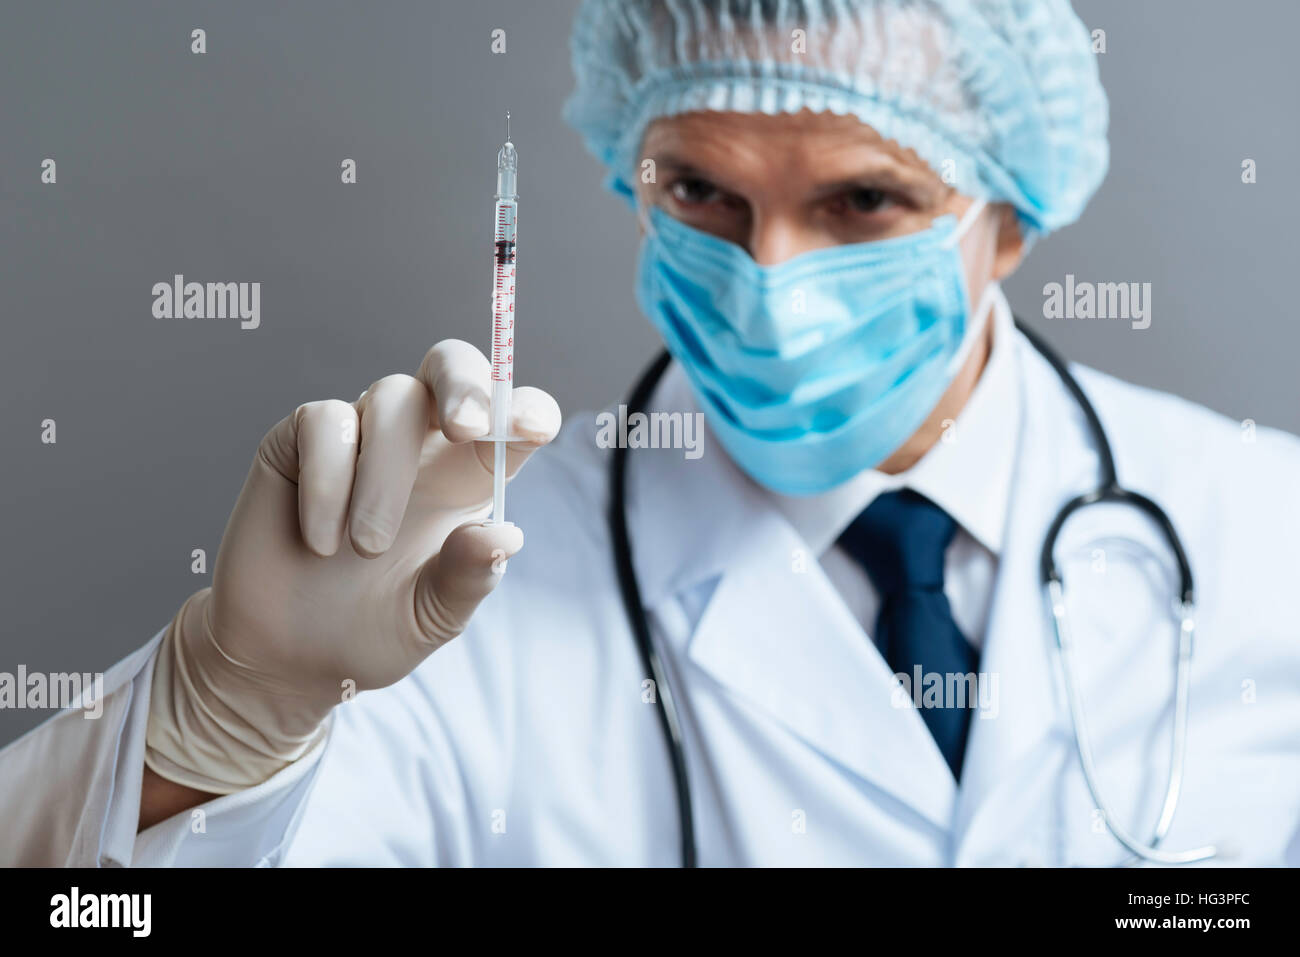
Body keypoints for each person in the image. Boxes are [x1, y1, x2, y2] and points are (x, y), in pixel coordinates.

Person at [3, 0, 1299, 867]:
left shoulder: (1268, 530)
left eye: (863, 199)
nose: (774, 282)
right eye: (702, 192)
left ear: (1011, 216)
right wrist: (216, 723)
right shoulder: (452, 595)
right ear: (634, 177)